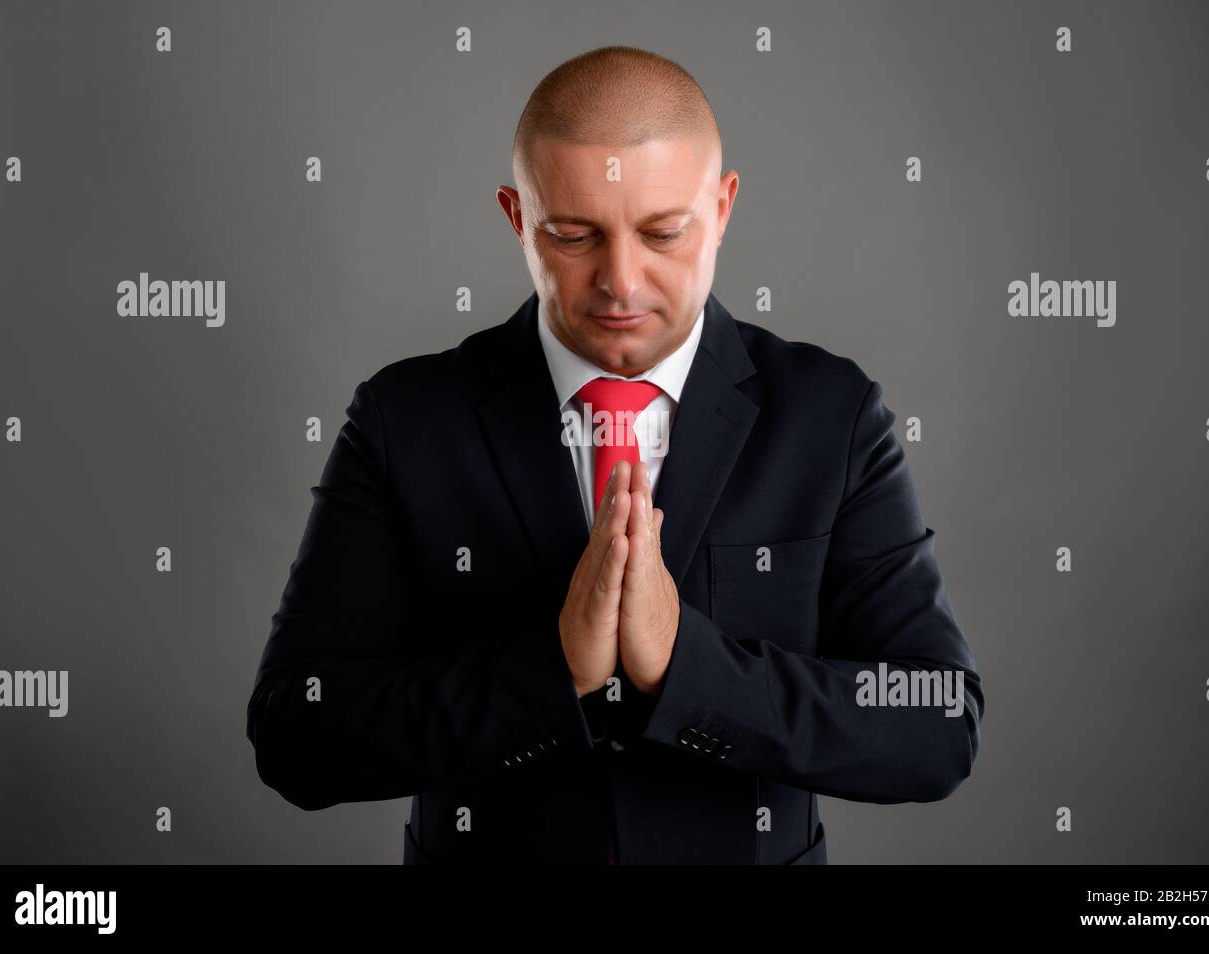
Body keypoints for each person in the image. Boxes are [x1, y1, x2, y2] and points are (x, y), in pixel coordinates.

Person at [245, 45, 983, 864]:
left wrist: (687, 669)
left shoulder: (832, 416)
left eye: (664, 232)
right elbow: (295, 730)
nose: (621, 283)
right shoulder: (404, 419)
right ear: (517, 218)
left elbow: (938, 723)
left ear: (724, 208)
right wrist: (551, 672)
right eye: (573, 235)